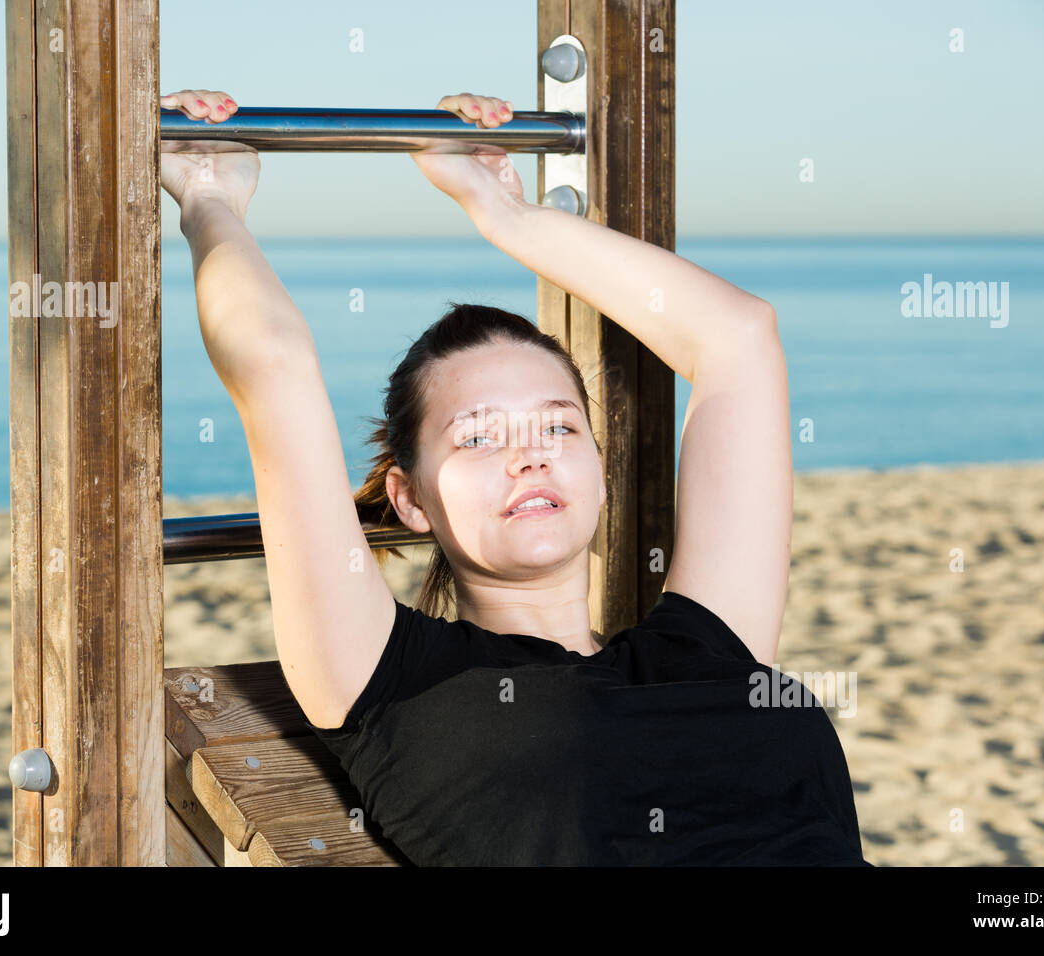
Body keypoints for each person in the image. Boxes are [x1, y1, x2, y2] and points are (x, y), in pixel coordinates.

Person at [160, 87, 872, 866]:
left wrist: (505, 213)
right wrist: (207, 197)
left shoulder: (705, 649)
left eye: (559, 426)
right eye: (478, 438)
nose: (530, 453)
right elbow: (274, 369)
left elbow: (740, 338)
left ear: (600, 469)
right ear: (409, 498)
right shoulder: (394, 683)